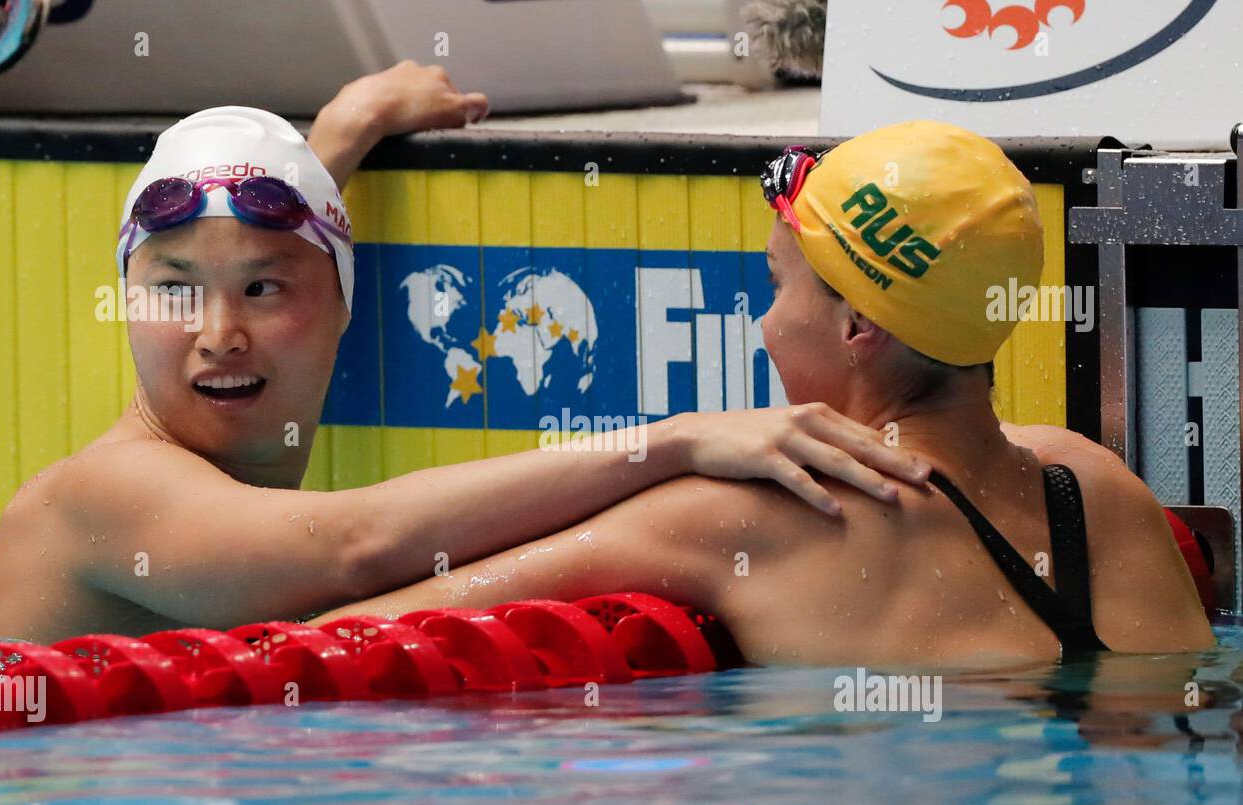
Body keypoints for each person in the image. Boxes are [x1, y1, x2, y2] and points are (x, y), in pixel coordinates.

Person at [0, 65, 929, 646]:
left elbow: (278, 248)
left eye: (263, 290)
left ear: (340, 305)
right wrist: (675, 441)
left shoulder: (270, 337)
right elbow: (354, 550)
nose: (219, 330)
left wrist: (337, 139)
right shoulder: (102, 496)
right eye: (172, 290)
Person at [310, 120, 1216, 667]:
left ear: (860, 328)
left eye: (777, 288)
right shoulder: (1096, 487)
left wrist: (671, 442)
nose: (763, 325)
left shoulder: (764, 513)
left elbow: (361, 630)